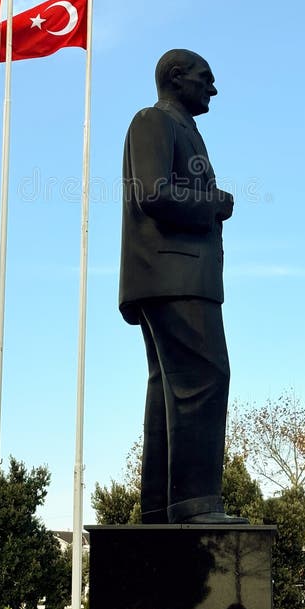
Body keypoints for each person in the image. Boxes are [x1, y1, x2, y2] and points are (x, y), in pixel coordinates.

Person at [119, 49, 247, 525]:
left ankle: (160, 507)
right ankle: (195, 505)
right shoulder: (153, 121)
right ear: (177, 78)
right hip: (173, 273)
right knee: (204, 378)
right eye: (204, 79)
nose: (211, 89)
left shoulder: (184, 129)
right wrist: (211, 203)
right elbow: (152, 192)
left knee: (170, 387)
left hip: (175, 274)